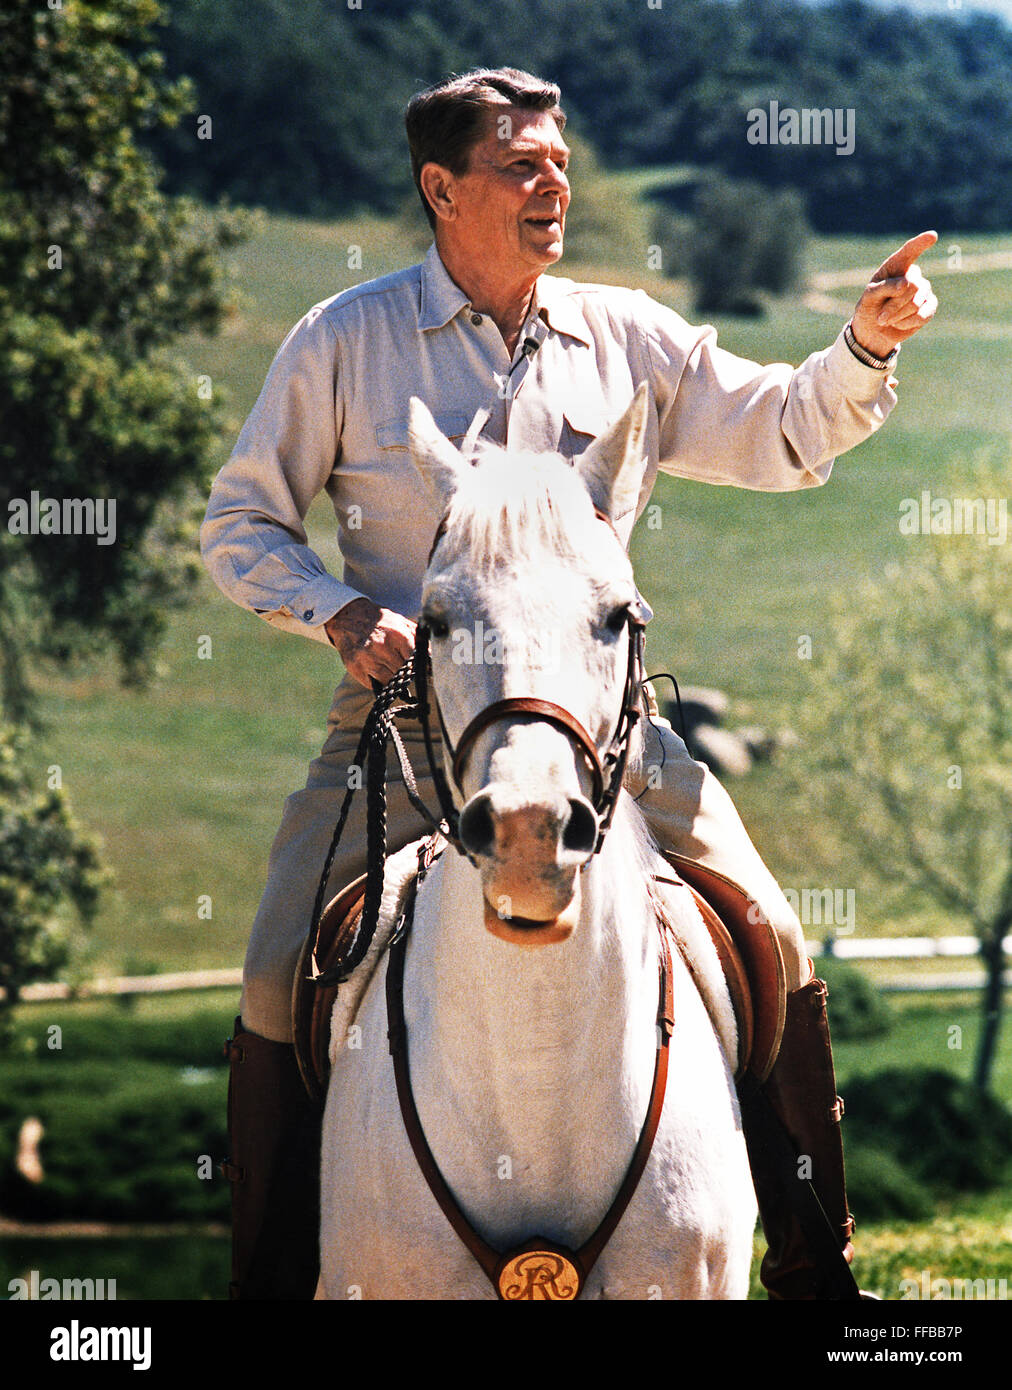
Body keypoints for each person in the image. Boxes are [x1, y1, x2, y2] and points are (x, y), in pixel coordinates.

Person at [200, 66, 937, 1301]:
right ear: (442, 189)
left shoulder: (626, 334)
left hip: (605, 732)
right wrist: (337, 611)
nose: (554, 185)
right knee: (278, 969)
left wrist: (862, 345)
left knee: (772, 932)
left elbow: (781, 430)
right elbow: (239, 526)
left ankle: (816, 1277)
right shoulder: (341, 341)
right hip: (399, 733)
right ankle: (270, 1284)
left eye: (559, 162)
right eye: (520, 166)